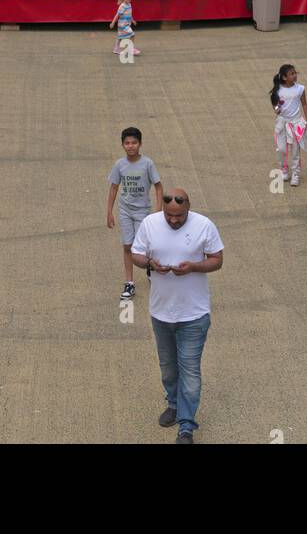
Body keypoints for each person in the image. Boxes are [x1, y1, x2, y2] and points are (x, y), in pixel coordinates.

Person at [131, 189, 224, 445]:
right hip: (161, 313)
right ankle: (173, 404)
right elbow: (136, 254)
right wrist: (150, 264)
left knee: (190, 371)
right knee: (169, 369)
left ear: (188, 208)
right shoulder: (150, 223)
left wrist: (193, 267)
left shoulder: (204, 225)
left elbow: (217, 259)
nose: (173, 220)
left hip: (194, 314)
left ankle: (186, 425)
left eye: (179, 216)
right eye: (169, 215)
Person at [106, 127, 162, 301]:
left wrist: (158, 211)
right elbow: (114, 187)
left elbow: (158, 186)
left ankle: (151, 270)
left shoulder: (147, 164)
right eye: (127, 143)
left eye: (134, 143)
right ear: (123, 145)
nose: (130, 146)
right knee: (127, 246)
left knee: (144, 246)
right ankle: (129, 282)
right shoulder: (119, 165)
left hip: (143, 211)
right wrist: (109, 211)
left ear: (140, 144)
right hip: (125, 211)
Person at [269, 63, 307, 186]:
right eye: (291, 74)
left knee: (295, 150)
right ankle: (284, 169)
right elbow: (275, 104)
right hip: (282, 122)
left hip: (296, 123)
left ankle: (296, 174)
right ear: (284, 77)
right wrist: (277, 108)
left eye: (295, 73)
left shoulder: (300, 89)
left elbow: (304, 104)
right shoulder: (278, 90)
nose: (294, 75)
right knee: (281, 148)